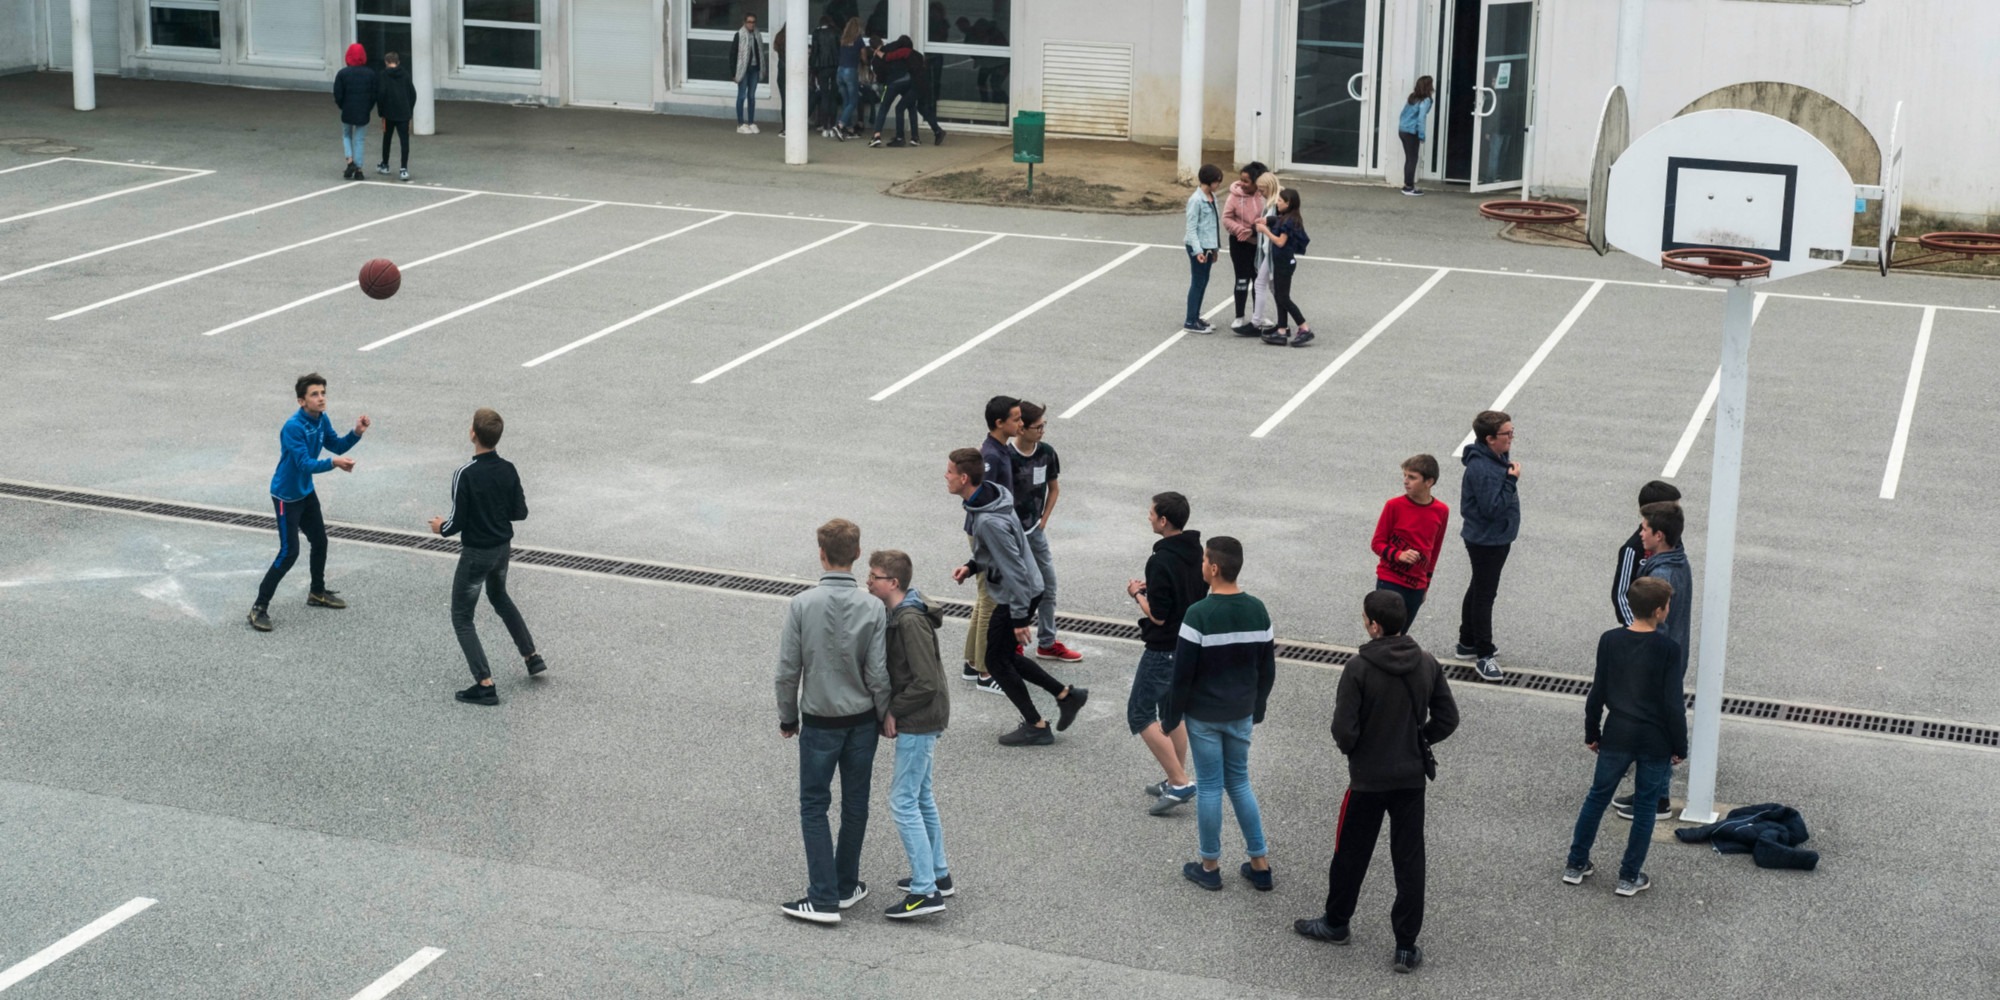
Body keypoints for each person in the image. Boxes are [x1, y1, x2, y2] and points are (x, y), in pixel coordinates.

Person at [1296, 591, 1459, 976]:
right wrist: (1419, 741)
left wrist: (1357, 749)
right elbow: (1448, 718)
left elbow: (1343, 730)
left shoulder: (1358, 668)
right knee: (1408, 859)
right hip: (1410, 780)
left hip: (1368, 779)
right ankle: (1405, 946)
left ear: (1373, 624)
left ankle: (1336, 923)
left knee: (1351, 852)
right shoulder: (1427, 662)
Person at [777, 519, 892, 925]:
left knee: (814, 804)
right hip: (861, 720)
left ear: (821, 554)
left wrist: (788, 717)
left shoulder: (802, 605)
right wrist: (883, 714)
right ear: (858, 554)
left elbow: (787, 671)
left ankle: (822, 897)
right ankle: (845, 886)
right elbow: (878, 672)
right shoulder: (873, 607)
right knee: (855, 804)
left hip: (820, 720)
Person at [946, 448, 1087, 746]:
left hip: (1017, 594)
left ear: (963, 478)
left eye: (949, 472)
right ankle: (1066, 696)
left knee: (995, 661)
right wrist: (972, 566)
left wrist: (1020, 618)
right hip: (1020, 591)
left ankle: (1036, 724)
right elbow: (996, 552)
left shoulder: (988, 521)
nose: (945, 477)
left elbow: (1016, 570)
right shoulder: (990, 497)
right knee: (1002, 656)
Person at [1162, 536, 1276, 892]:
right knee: (1239, 782)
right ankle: (1259, 863)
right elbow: (1267, 669)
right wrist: (1257, 708)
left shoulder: (1198, 614)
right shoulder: (1258, 610)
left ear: (1213, 568)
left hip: (1204, 715)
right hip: (1241, 711)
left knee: (1210, 785)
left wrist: (1170, 716)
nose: (1201, 566)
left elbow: (1181, 674)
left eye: (1204, 561)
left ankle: (1209, 865)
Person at [1564, 576, 1687, 898]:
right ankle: (1628, 876)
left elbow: (1598, 691)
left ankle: (1576, 864)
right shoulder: (1668, 650)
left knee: (1597, 797)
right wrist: (1680, 745)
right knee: (1646, 807)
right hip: (1655, 738)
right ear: (1660, 611)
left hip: (1617, 732)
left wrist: (1593, 731)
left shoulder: (1610, 640)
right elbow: (1673, 703)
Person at [429, 408, 544, 706]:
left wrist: (440, 527)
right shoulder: (508, 469)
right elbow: (521, 512)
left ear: (473, 434)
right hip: (502, 549)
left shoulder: (464, 474)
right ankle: (531, 656)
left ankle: (484, 683)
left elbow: (455, 524)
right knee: (499, 596)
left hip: (476, 554)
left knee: (462, 617)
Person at [865, 549, 952, 920]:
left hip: (919, 719)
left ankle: (924, 890)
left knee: (902, 801)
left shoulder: (910, 621)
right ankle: (938, 874)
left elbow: (926, 682)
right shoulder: (903, 614)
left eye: (874, 576)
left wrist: (893, 711)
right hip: (925, 717)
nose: (868, 581)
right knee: (920, 796)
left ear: (893, 583)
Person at [247, 373, 369, 632]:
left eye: (323, 392)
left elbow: (336, 445)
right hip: (286, 497)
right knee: (289, 552)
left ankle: (317, 593)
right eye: (315, 394)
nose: (321, 398)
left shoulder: (321, 419)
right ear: (301, 401)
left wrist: (356, 433)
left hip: (305, 493)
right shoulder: (293, 427)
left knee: (320, 541)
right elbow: (304, 464)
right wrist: (334, 464)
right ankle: (259, 606)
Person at [1127, 491, 1207, 815]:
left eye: (1151, 513)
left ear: (1164, 520)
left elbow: (1158, 615)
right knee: (1173, 712)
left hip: (1162, 649)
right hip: (1188, 645)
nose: (1148, 517)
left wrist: (1137, 594)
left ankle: (1179, 781)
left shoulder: (1160, 560)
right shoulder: (1196, 551)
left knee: (1139, 713)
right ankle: (1176, 775)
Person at [959, 396, 1022, 694]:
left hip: (988, 533)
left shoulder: (1001, 450)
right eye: (1016, 418)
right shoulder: (992, 456)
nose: (1020, 423)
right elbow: (985, 500)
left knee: (984, 597)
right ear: (999, 423)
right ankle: (986, 671)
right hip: (989, 535)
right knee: (990, 600)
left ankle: (972, 663)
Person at [1010, 401, 1080, 662]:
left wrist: (1044, 519)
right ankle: (1014, 643)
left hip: (1035, 531)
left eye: (1044, 425)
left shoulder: (1046, 453)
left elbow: (1054, 487)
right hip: (1012, 536)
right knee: (1017, 589)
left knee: (1048, 586)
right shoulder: (1007, 457)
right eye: (1037, 427)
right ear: (1021, 428)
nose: (1042, 431)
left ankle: (1047, 642)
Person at [1456, 410, 1518, 682]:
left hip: (1492, 537)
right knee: (1485, 594)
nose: (1511, 438)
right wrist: (1512, 480)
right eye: (1507, 434)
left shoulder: (1494, 456)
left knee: (1478, 586)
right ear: (1490, 439)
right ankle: (1483, 654)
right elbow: (1492, 508)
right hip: (1487, 540)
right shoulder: (1482, 468)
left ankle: (1467, 641)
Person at [1371, 454, 1450, 630]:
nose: (1406, 481)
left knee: (1401, 635)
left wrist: (1426, 586)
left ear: (1429, 482)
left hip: (1416, 586)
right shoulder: (1394, 506)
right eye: (1405, 476)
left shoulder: (1441, 511)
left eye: (1412, 477)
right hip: (1389, 580)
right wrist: (1399, 555)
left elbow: (1434, 552)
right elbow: (1377, 543)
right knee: (1384, 635)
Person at [1614, 481, 1682, 626]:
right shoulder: (1632, 550)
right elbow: (1620, 595)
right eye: (1673, 509)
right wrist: (1638, 629)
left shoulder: (1674, 541)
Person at [1256, 188, 1313, 347]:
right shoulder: (1287, 217)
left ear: (1288, 204)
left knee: (1283, 297)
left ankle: (1304, 327)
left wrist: (1264, 230)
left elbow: (1280, 241)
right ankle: (1281, 330)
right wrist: (1266, 221)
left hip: (1284, 263)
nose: (1277, 203)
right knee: (1280, 295)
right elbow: (1276, 220)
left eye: (1280, 201)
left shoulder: (1289, 221)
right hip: (1281, 262)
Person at [1222, 161, 1269, 334]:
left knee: (1259, 281)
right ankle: (1239, 316)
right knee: (1242, 279)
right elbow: (1226, 218)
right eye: (1241, 180)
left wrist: (1254, 231)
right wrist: (1240, 230)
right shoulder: (1234, 196)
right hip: (1239, 244)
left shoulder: (1265, 196)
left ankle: (1259, 315)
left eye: (1246, 181)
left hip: (1259, 245)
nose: (1242, 184)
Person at [1182, 164, 1223, 333]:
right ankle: (1190, 321)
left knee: (1203, 281)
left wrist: (1214, 250)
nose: (1219, 184)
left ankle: (1196, 316)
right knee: (1198, 282)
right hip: (1197, 247)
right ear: (1209, 181)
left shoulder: (1212, 197)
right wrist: (1198, 251)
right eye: (1217, 181)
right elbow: (1191, 229)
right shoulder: (1196, 200)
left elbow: (1213, 226)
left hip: (1208, 247)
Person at [1244, 171, 1283, 336]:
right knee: (1276, 289)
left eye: (1262, 189)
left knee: (1260, 284)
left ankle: (1257, 321)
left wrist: (1263, 228)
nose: (1260, 193)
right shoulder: (1272, 202)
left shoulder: (1276, 204)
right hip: (1270, 250)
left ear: (1270, 187)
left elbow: (1279, 228)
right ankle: (1283, 322)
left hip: (1273, 250)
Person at [333, 43, 377, 180]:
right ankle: (359, 169)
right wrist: (368, 107)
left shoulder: (342, 74)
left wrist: (342, 106)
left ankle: (350, 161)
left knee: (346, 135)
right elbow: (374, 94)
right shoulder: (370, 74)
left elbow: (338, 94)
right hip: (363, 110)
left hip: (347, 109)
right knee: (360, 139)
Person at [374, 51, 416, 182]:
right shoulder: (405, 75)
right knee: (404, 141)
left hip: (388, 112)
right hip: (404, 113)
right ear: (398, 62)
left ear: (386, 62)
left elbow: (380, 94)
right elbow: (412, 94)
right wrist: (409, 110)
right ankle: (404, 168)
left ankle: (385, 164)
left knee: (387, 138)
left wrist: (381, 112)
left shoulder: (383, 75)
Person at [868, 36, 914, 147]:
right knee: (910, 106)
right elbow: (902, 43)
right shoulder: (892, 47)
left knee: (884, 107)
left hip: (891, 84)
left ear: (871, 48)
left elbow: (880, 78)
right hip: (906, 79)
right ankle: (912, 136)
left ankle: (877, 135)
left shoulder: (875, 61)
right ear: (882, 42)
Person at [1398, 76, 1435, 196]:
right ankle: (1409, 187)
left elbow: (1403, 113)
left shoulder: (1412, 97)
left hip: (1403, 130)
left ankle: (1407, 185)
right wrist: (1422, 135)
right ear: (1428, 86)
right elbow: (1421, 118)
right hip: (1411, 132)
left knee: (1409, 158)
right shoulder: (1426, 100)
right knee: (1412, 159)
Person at [731, 14, 766, 134]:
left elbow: (760, 52)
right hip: (743, 70)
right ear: (745, 22)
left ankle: (751, 122)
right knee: (742, 96)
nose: (751, 24)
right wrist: (733, 73)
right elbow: (733, 54)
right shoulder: (739, 35)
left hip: (754, 69)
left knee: (752, 96)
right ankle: (740, 123)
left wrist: (761, 68)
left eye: (753, 22)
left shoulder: (757, 35)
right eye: (749, 22)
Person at [834, 17, 865, 138]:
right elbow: (863, 57)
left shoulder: (843, 39)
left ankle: (849, 128)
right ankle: (840, 125)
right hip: (850, 71)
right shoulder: (858, 40)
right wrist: (866, 62)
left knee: (846, 102)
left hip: (839, 71)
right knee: (853, 101)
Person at [810, 15, 840, 135]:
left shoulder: (816, 33)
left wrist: (813, 66)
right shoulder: (837, 32)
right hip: (835, 66)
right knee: (833, 96)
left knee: (824, 96)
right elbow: (839, 49)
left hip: (822, 67)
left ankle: (824, 126)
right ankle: (832, 125)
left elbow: (815, 51)